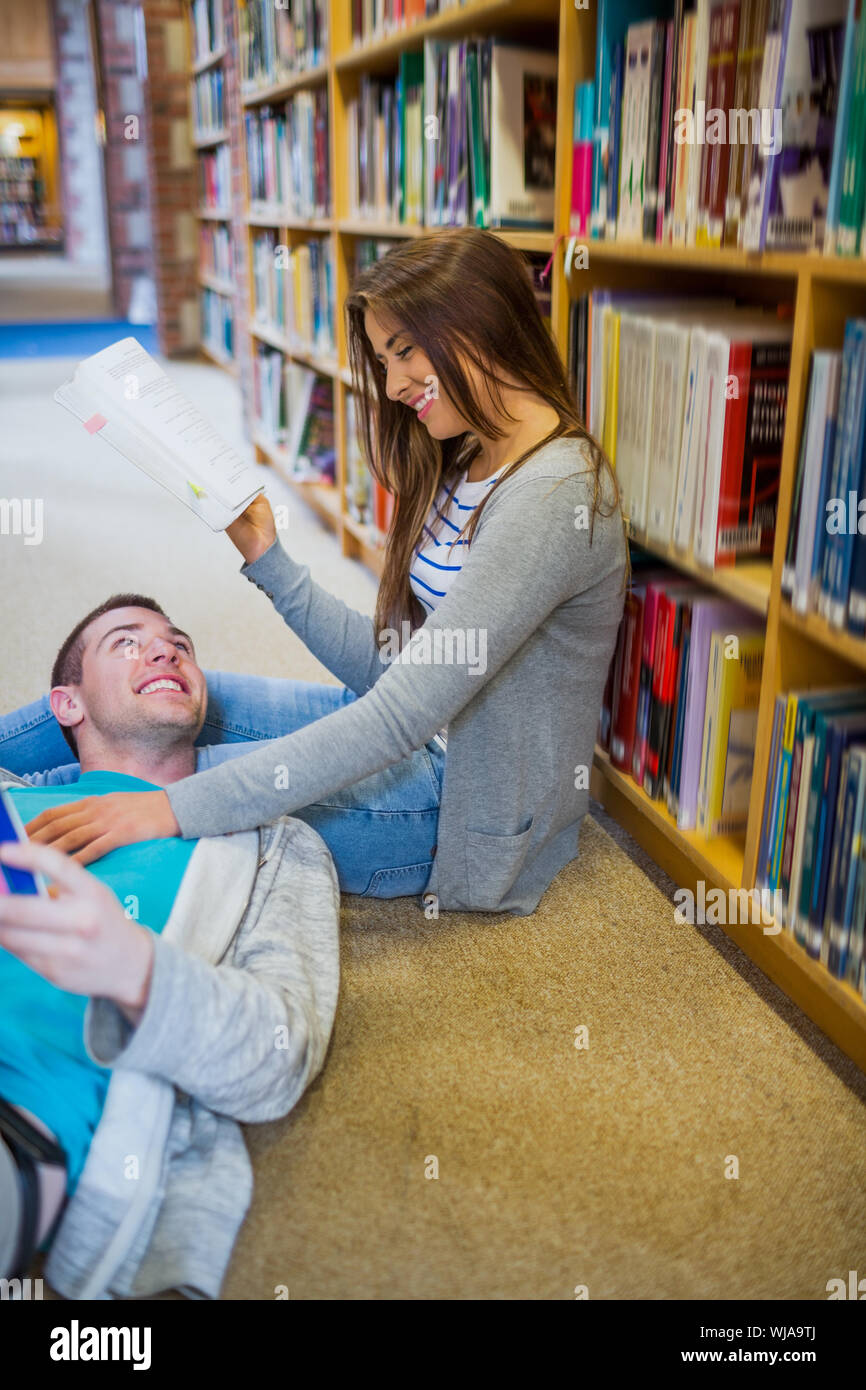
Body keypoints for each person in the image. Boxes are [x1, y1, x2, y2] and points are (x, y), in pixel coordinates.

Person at [2, 227, 629, 916]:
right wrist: (267, 557)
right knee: (163, 700)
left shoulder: (551, 496)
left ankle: (31, 819)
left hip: (460, 808)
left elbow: (396, 717)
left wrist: (170, 810)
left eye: (404, 353)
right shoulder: (473, 449)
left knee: (148, 780)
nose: (392, 387)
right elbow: (393, 668)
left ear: (477, 324)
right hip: (424, 731)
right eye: (385, 360)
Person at [0, 596, 340, 1299]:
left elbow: (280, 1055)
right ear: (64, 702)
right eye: (126, 642)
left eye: (178, 642)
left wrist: (137, 973)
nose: (165, 650)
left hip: (23, 1126)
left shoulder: (273, 845)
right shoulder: (12, 800)